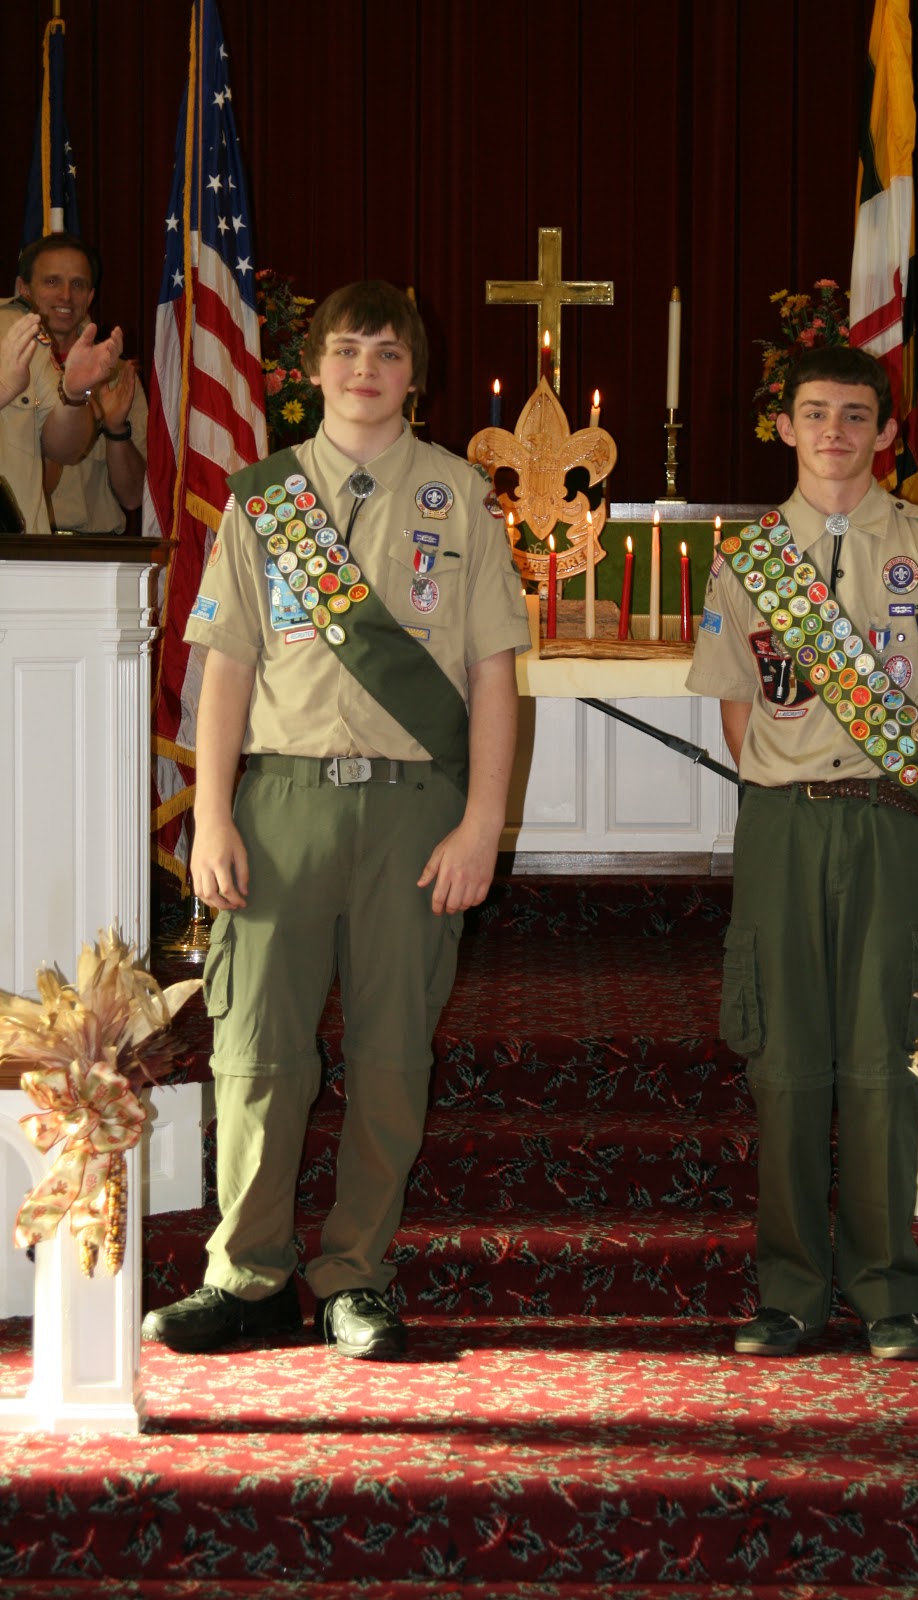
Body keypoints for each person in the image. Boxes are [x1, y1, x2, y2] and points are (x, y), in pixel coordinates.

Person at [143, 280, 531, 1359]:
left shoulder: (462, 497)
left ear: (417, 374)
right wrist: (209, 816)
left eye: (388, 352)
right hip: (279, 805)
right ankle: (247, 1272)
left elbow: (495, 676)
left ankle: (356, 1274)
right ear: (312, 371)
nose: (365, 368)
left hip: (414, 812)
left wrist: (481, 823)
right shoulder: (263, 501)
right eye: (347, 350)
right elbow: (224, 667)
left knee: (391, 1050)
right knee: (257, 1052)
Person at [686, 345, 918, 1360]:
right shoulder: (747, 558)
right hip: (783, 822)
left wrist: (902, 793)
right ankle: (790, 1288)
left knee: (883, 1056)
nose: (833, 432)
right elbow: (739, 714)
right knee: (783, 1055)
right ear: (783, 425)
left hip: (891, 821)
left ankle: (886, 1289)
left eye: (854, 415)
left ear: (885, 432)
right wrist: (798, 779)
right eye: (813, 412)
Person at [14, 231, 146, 533]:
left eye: (78, 284)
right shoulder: (8, 371)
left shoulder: (115, 374)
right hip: (20, 550)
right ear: (24, 290)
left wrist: (115, 430)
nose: (65, 296)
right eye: (51, 282)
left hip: (95, 553)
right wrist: (74, 421)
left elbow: (134, 497)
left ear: (90, 297)